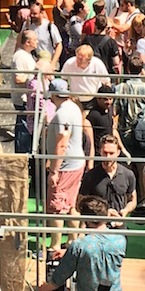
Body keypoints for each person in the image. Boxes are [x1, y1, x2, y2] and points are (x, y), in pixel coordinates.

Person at [38, 195, 127, 291]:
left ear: (86, 220)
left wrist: (43, 288)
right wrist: (70, 252)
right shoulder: (120, 240)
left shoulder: (79, 246)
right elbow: (99, 249)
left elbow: (59, 278)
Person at [46, 79, 87, 255]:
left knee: (57, 207)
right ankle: (73, 240)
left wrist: (54, 171)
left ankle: (54, 246)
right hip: (76, 163)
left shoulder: (62, 113)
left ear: (53, 95)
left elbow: (62, 143)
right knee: (71, 204)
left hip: (66, 167)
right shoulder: (74, 107)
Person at [79, 135, 136, 224]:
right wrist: (103, 212)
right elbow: (80, 203)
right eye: (105, 153)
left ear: (118, 153)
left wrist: (125, 211)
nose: (108, 157)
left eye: (111, 153)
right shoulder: (91, 176)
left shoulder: (128, 175)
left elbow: (132, 200)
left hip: (119, 225)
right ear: (100, 151)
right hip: (97, 226)